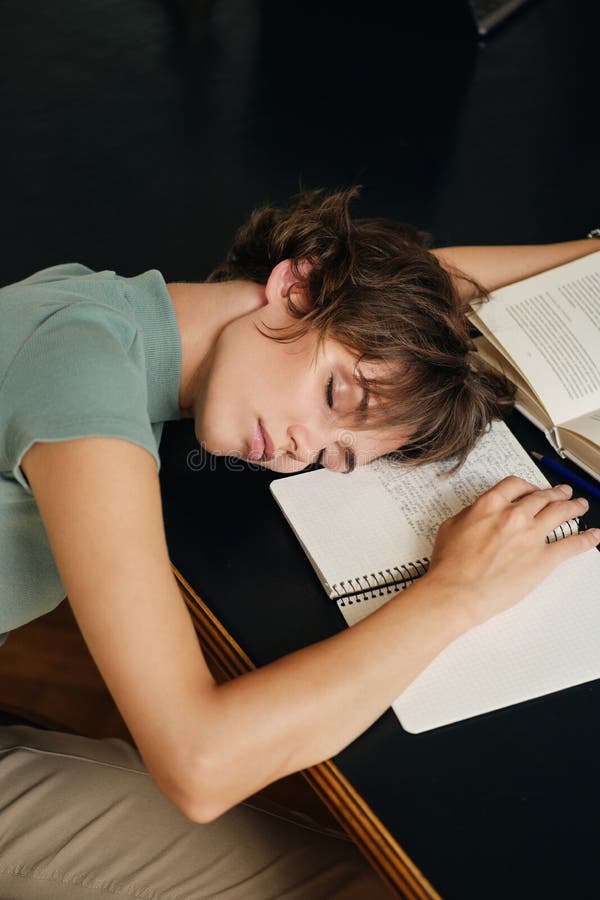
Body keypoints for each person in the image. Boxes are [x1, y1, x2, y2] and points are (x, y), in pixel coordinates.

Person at [1, 187, 599, 898]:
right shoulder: (83, 377)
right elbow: (200, 765)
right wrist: (458, 593)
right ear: (294, 284)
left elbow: (415, 284)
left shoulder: (102, 312)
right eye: (339, 397)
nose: (301, 448)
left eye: (338, 457)